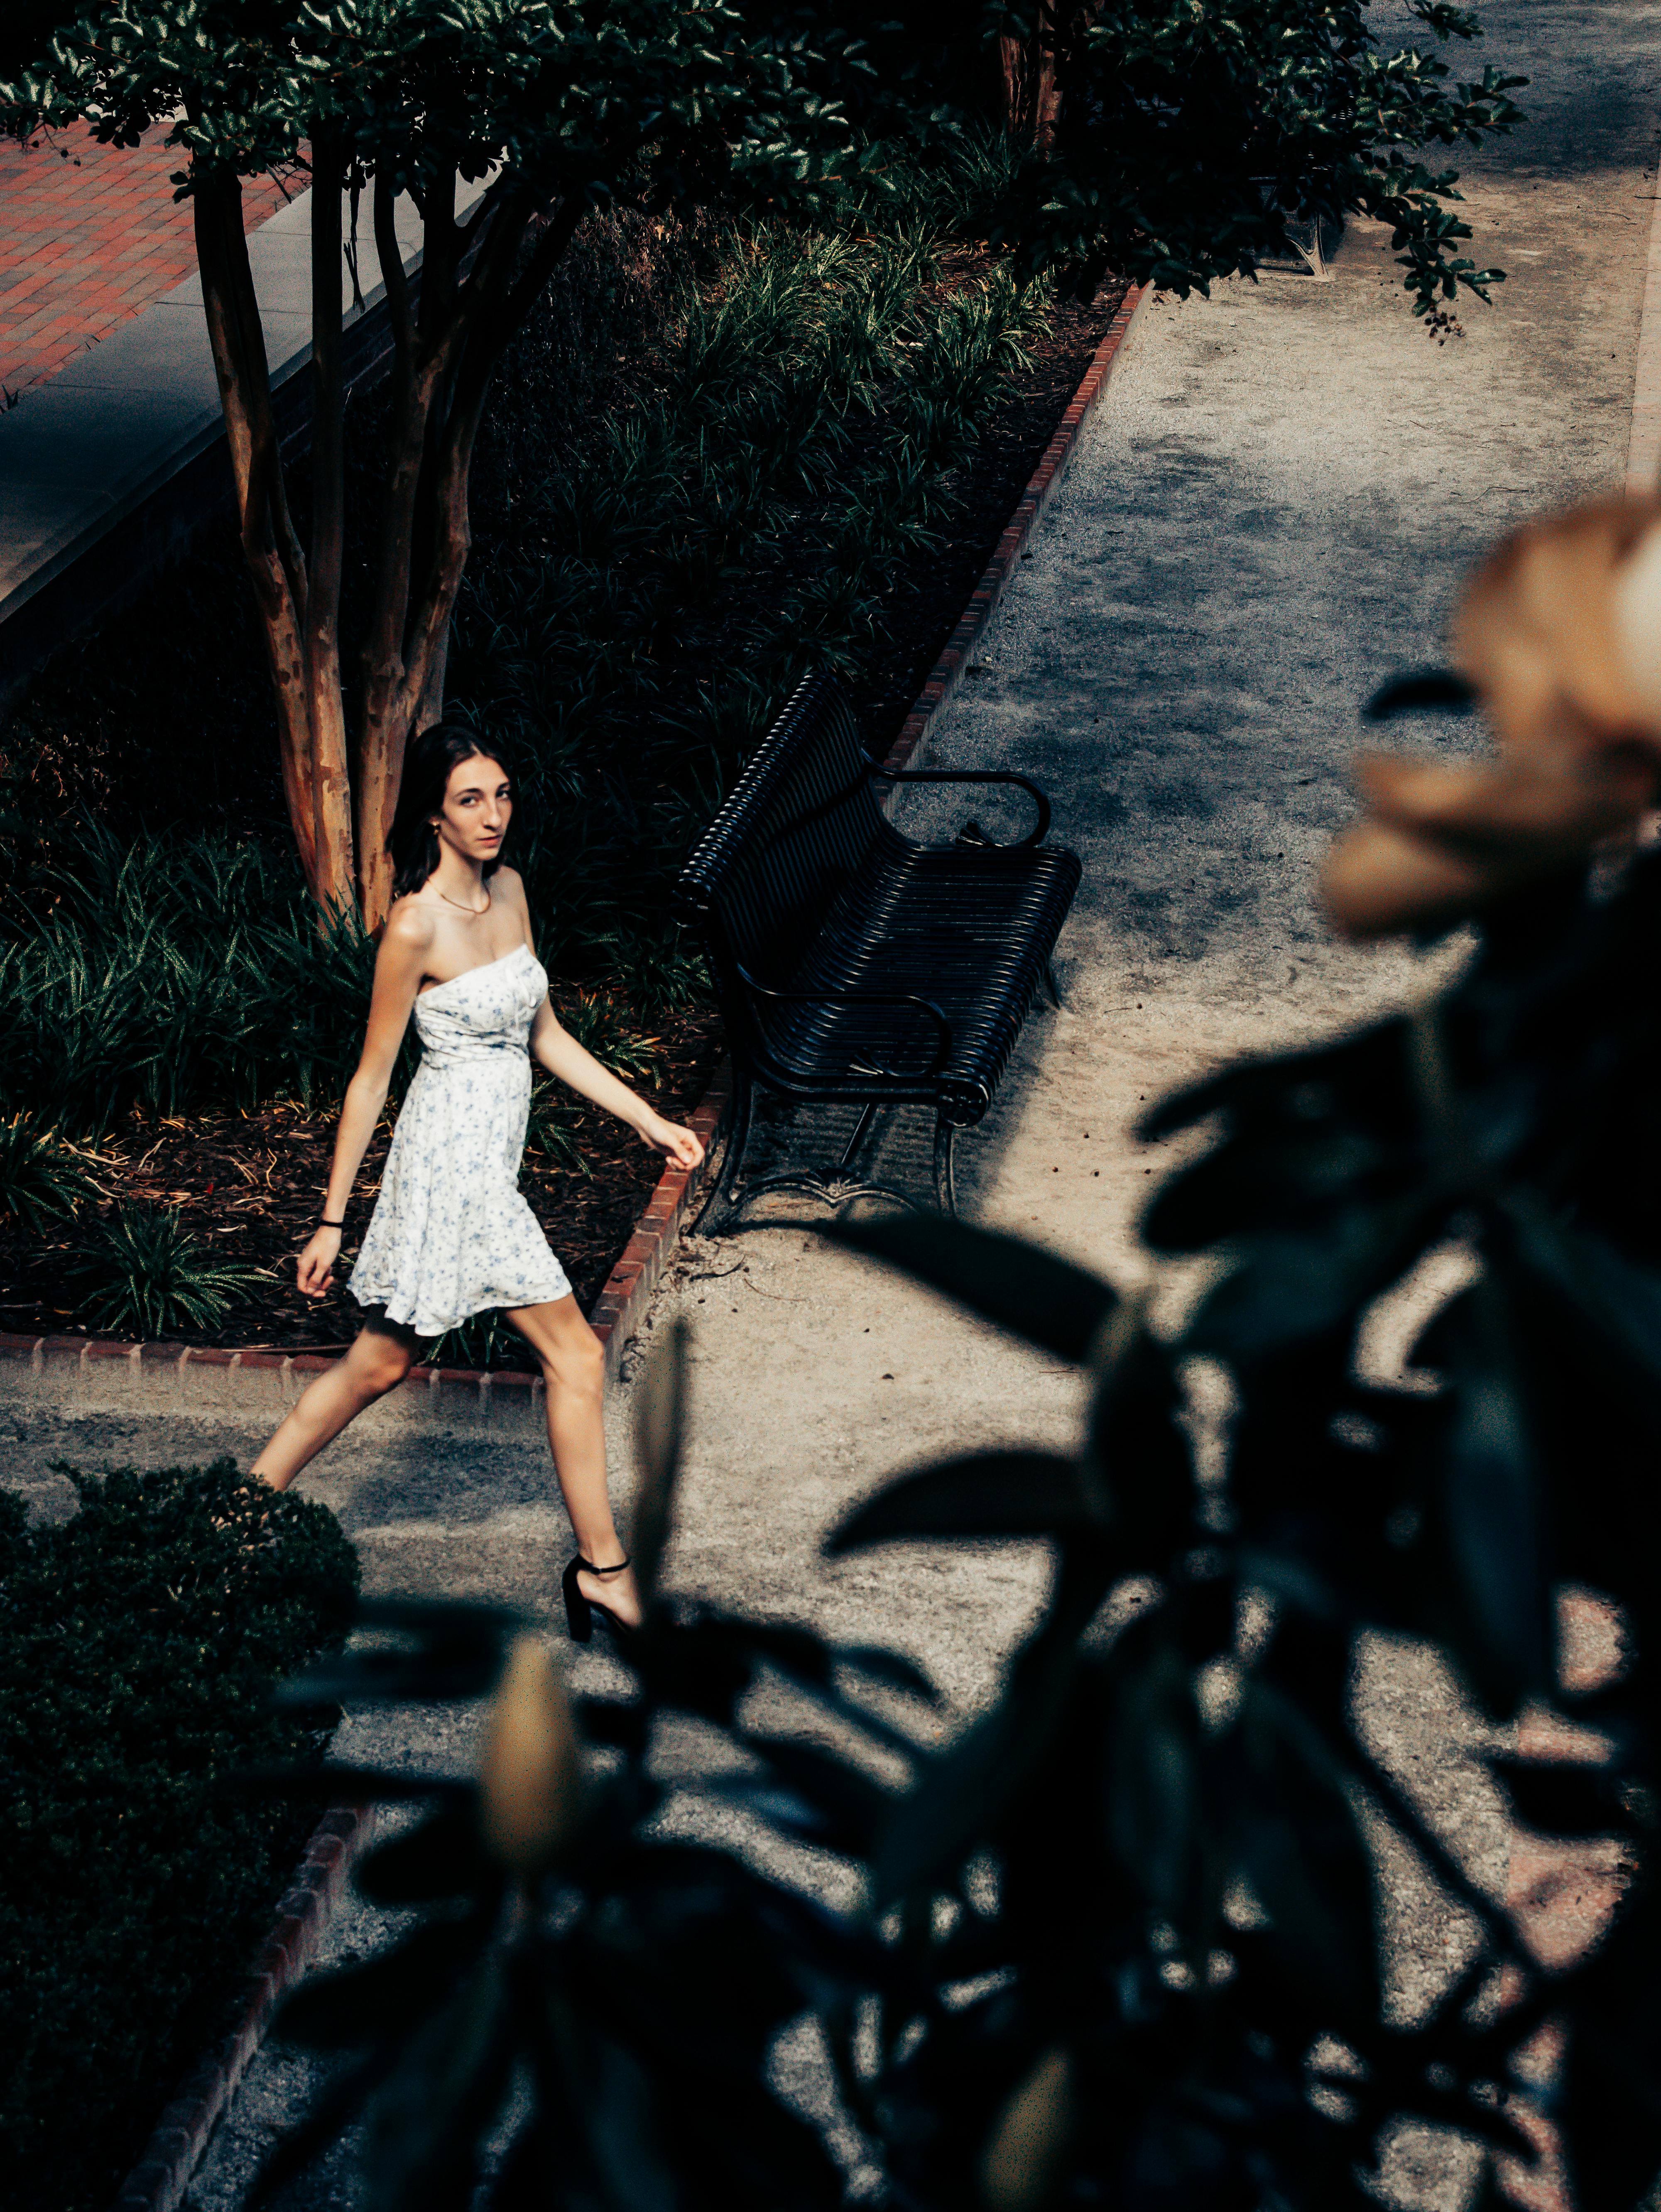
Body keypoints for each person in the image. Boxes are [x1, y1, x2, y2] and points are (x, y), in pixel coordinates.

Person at [250, 723, 704, 1640]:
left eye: (501, 794)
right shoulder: (415, 925)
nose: (493, 814)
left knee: (379, 1364)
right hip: (452, 1171)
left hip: (488, 1161)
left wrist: (646, 1118)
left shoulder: (513, 892)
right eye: (470, 799)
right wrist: (332, 1220)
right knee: (576, 1357)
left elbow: (546, 1036)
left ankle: (227, 1520)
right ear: (434, 814)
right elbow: (372, 1076)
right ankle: (605, 1573)